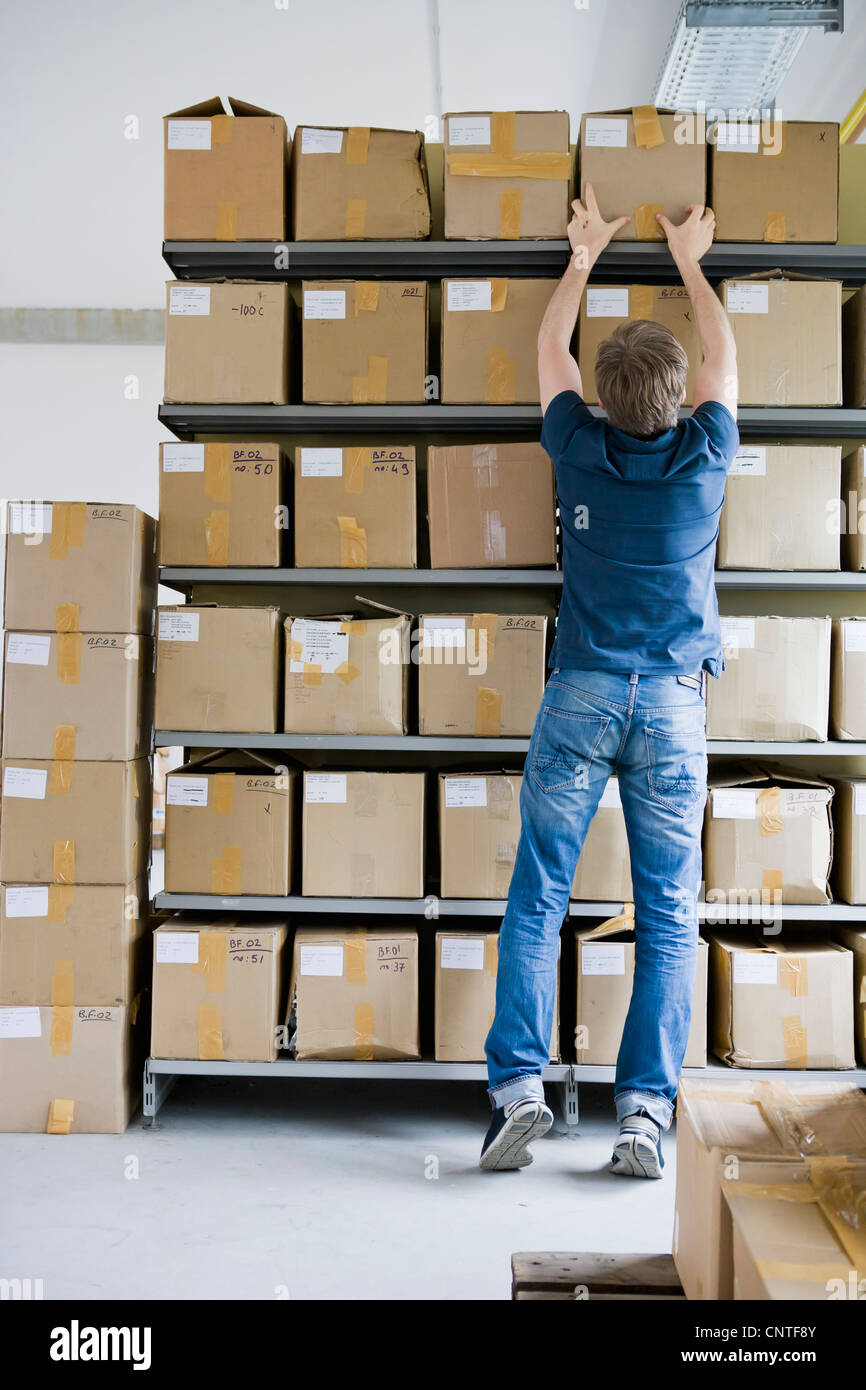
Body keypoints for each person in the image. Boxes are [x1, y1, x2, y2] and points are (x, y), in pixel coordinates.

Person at [480, 186, 739, 1178]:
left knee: (537, 895)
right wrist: (689, 259)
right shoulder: (707, 455)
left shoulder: (575, 450)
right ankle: (640, 1114)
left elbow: (546, 350)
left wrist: (582, 255)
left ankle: (515, 1092)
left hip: (579, 695)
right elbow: (723, 358)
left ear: (603, 394)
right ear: (674, 400)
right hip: (670, 706)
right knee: (667, 908)